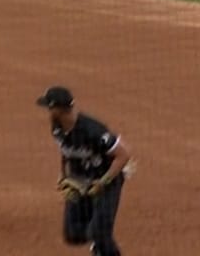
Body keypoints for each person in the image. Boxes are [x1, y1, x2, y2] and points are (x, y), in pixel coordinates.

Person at [37, 85, 132, 256]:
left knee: (99, 233)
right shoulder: (56, 127)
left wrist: (102, 183)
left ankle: (100, 242)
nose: (48, 112)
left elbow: (123, 155)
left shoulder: (93, 130)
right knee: (72, 234)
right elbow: (66, 152)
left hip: (107, 180)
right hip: (81, 180)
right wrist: (64, 176)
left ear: (59, 109)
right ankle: (98, 241)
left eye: (50, 108)